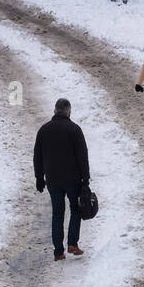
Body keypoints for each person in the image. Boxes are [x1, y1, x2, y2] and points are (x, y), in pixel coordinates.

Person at [33, 97, 90, 261]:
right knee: (76, 209)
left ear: (54, 111)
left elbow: (37, 156)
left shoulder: (44, 130)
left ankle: (58, 252)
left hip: (52, 180)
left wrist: (39, 177)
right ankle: (72, 243)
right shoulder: (74, 129)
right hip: (73, 179)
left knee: (57, 213)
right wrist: (85, 180)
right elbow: (82, 157)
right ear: (69, 113)